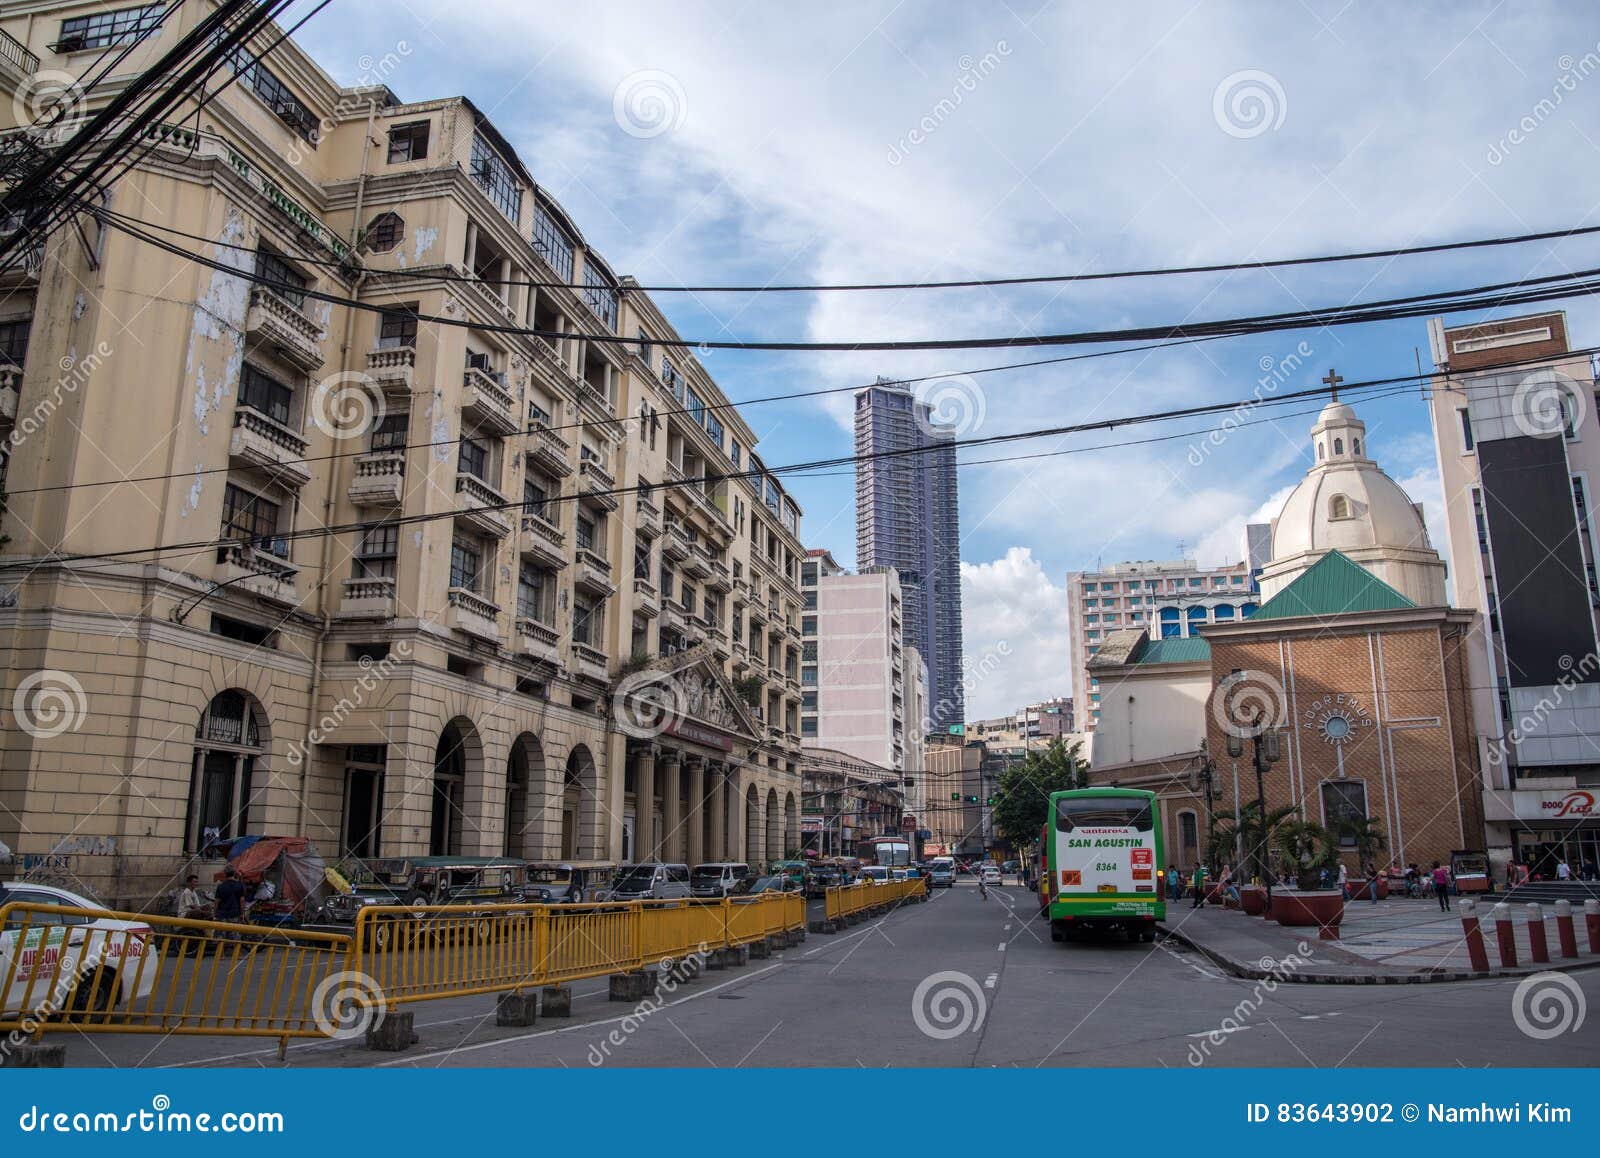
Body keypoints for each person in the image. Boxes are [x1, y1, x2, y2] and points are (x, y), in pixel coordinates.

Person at [213, 866, 246, 935]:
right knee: (233, 936)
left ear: (225, 874)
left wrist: (214, 913)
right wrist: (242, 914)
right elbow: (242, 901)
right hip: (234, 914)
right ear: (234, 874)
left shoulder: (221, 886)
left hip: (222, 915)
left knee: (220, 936)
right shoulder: (240, 885)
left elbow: (217, 902)